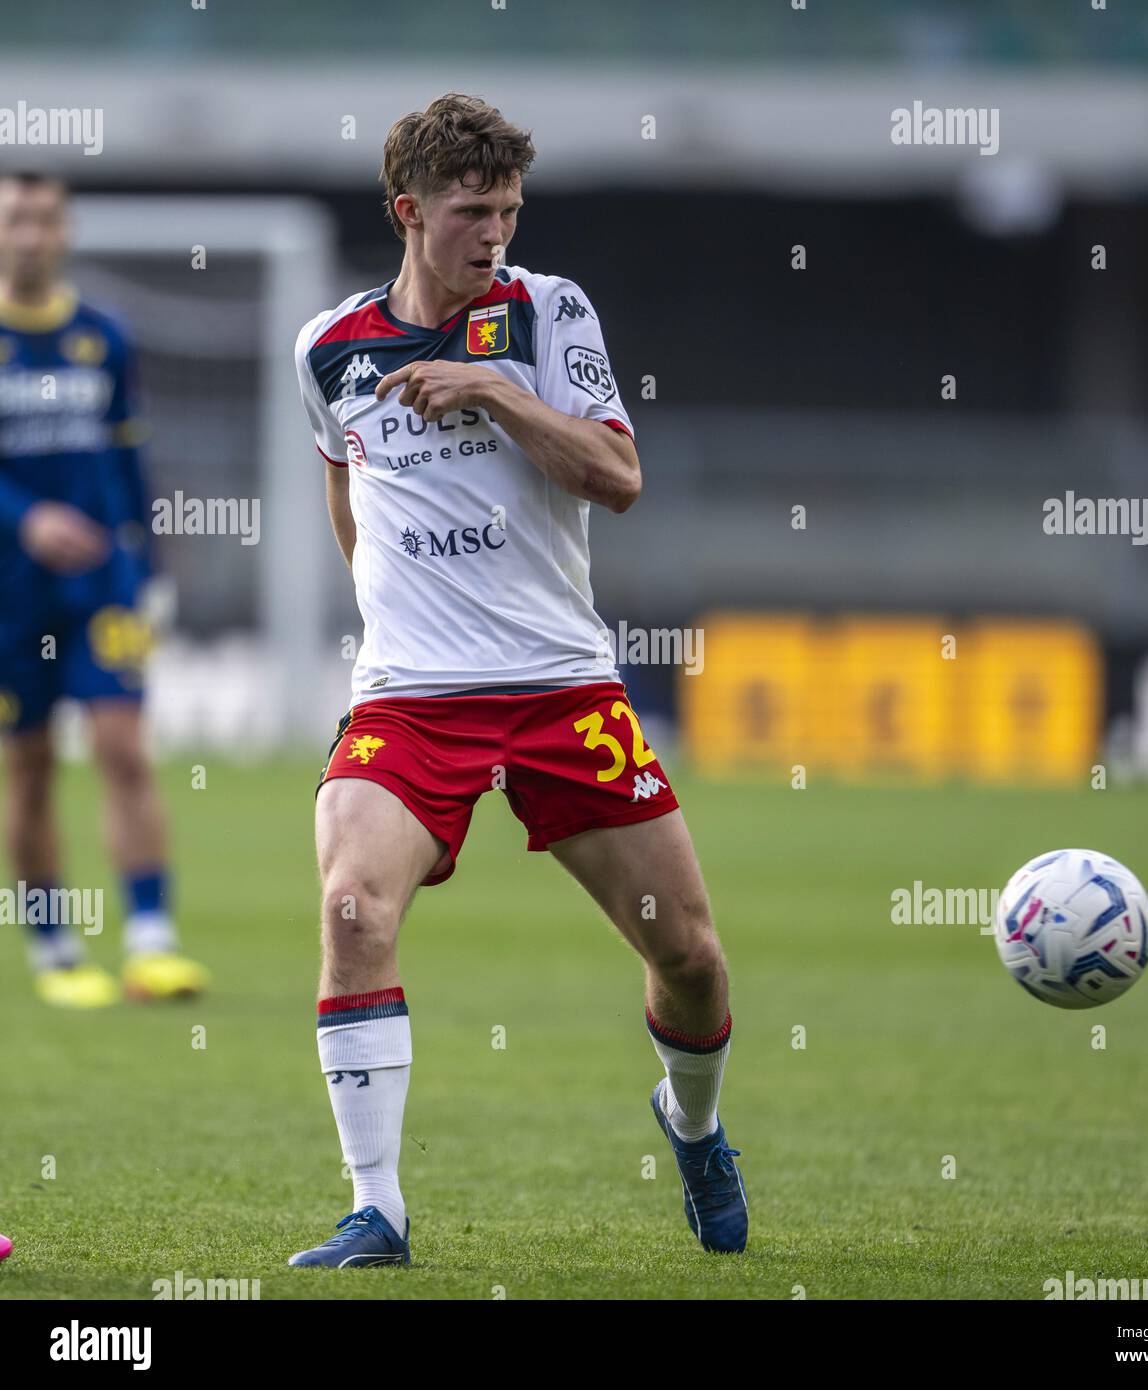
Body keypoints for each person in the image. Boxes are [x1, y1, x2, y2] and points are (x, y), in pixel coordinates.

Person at [289, 94, 746, 1267]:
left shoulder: (547, 313)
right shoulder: (329, 349)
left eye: (507, 209)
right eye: (470, 212)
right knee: (351, 907)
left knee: (687, 958)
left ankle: (691, 1124)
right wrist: (393, 623)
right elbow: (347, 493)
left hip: (558, 689)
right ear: (408, 211)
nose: (494, 233)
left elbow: (617, 476)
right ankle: (376, 1210)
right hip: (409, 697)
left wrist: (491, 388)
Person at [0, 172, 208, 1007]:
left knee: (124, 748)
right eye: (15, 218)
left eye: (45, 219)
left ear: (66, 230)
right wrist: (24, 521)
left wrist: (148, 569)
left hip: (102, 587)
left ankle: (152, 944)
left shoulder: (105, 337)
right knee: (33, 765)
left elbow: (128, 460)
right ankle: (54, 949)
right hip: (12, 593)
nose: (31, 235)